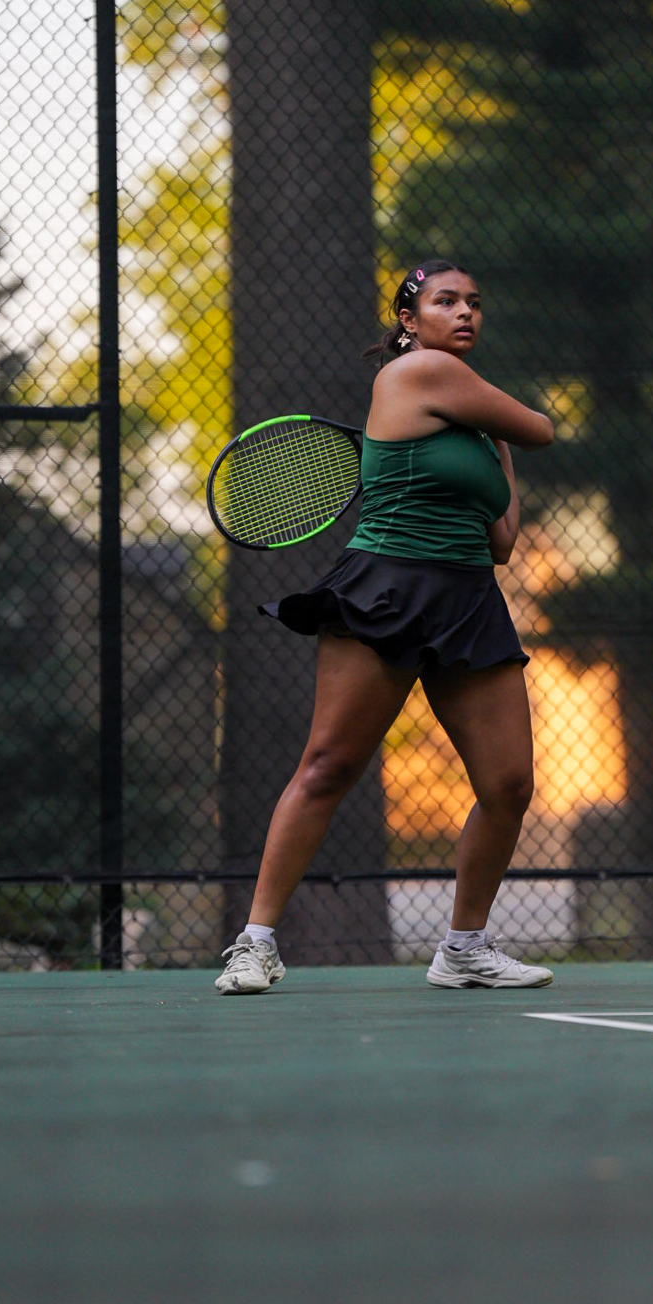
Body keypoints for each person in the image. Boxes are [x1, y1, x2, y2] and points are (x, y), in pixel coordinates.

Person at [216, 259, 555, 995]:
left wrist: (492, 442)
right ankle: (255, 943)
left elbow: (500, 542)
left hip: (467, 597)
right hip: (388, 586)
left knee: (508, 784)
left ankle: (465, 947)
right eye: (444, 301)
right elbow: (541, 428)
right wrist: (502, 429)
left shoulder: (465, 419)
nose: (465, 312)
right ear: (409, 321)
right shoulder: (420, 374)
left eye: (474, 302)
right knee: (329, 766)